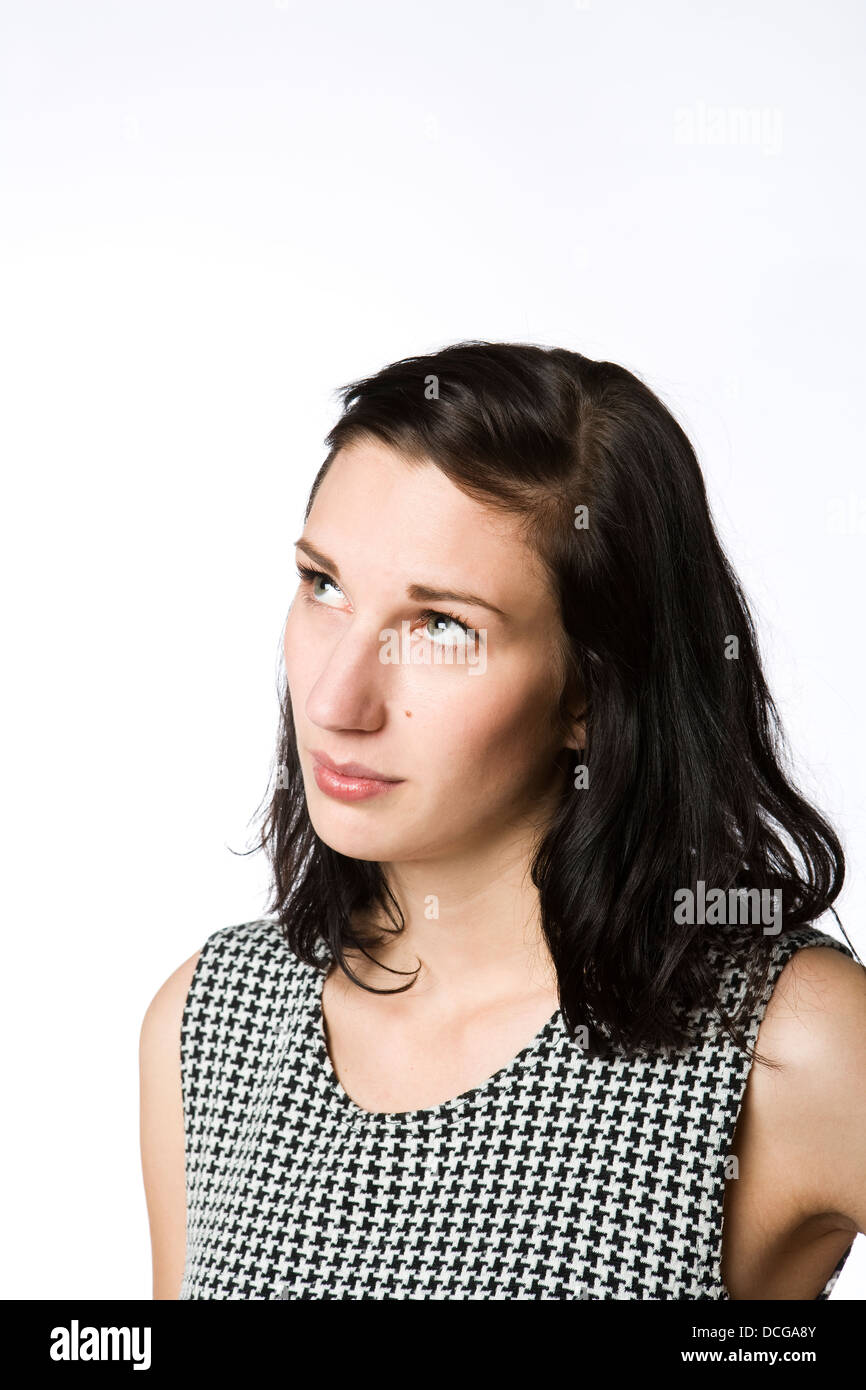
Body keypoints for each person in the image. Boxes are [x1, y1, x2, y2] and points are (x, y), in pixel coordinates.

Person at [140, 341, 866, 1300]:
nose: (333, 697)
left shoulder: (789, 1043)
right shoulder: (212, 1020)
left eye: (442, 626)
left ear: (592, 695)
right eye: (325, 586)